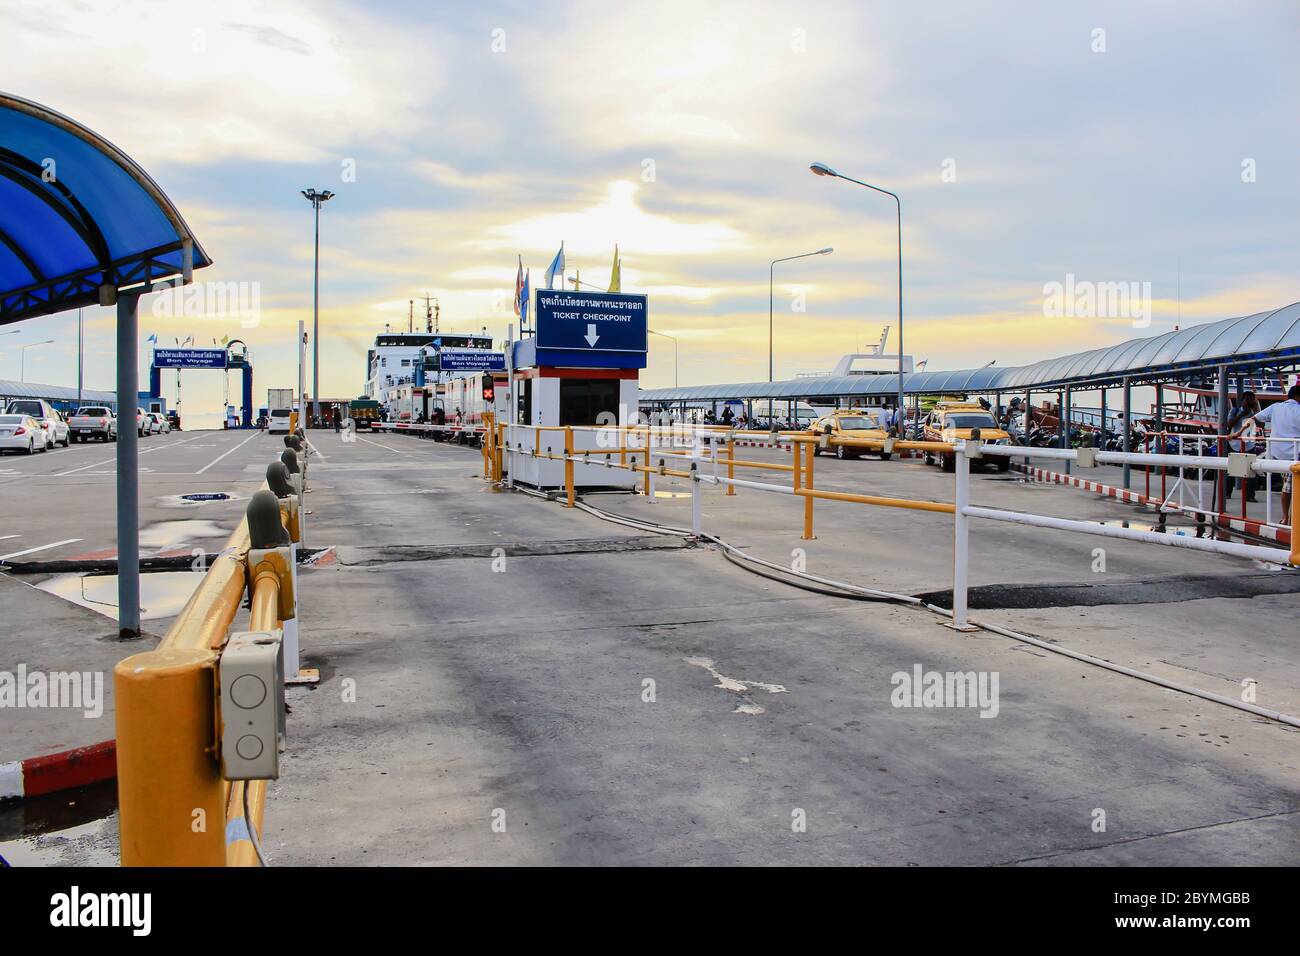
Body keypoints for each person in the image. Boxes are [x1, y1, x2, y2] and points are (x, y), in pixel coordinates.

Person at [1246, 384, 1300, 521]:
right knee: (1289, 487)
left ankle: (1285, 517)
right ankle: (1289, 517)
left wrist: (1239, 433)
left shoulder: (1275, 407)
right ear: (1297, 397)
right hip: (1296, 453)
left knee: (1288, 486)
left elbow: (1254, 419)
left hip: (1279, 454)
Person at [1224, 392, 1261, 501]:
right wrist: (1242, 414)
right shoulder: (1235, 410)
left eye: (1252, 400)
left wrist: (1255, 413)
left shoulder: (1255, 413)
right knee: (1231, 469)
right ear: (1243, 401)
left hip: (1249, 444)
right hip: (1234, 444)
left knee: (1251, 470)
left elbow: (1261, 425)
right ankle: (1227, 493)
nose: (1250, 402)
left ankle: (1250, 495)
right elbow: (1230, 423)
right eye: (1248, 400)